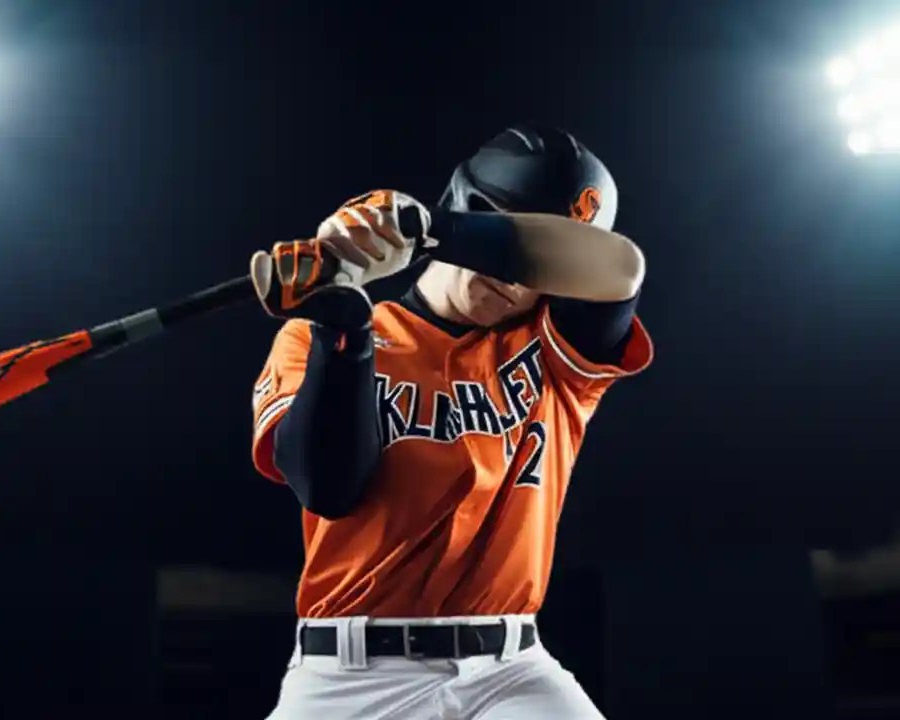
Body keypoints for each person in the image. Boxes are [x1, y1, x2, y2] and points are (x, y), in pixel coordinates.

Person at [247, 124, 654, 719]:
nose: (518, 279)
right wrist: (344, 329)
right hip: (351, 675)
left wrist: (431, 229)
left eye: (540, 264)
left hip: (510, 672)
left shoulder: (552, 351)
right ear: (469, 199)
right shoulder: (314, 338)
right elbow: (328, 488)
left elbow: (622, 269)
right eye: (512, 245)